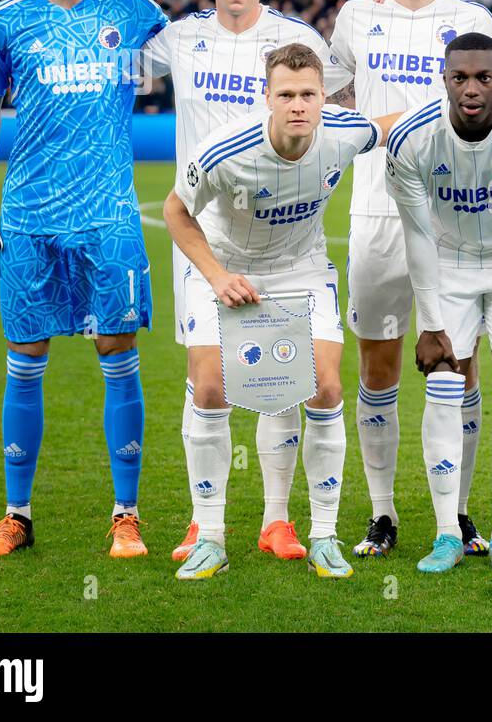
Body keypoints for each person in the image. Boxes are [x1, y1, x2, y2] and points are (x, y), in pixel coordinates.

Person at [143, 0, 353, 565]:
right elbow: (108, 63)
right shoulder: (176, 39)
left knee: (293, 381)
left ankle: (279, 520)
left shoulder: (299, 41)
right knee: (211, 387)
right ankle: (205, 525)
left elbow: (345, 102)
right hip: (208, 241)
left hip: (289, 241)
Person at [0, 0, 168, 559]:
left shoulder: (133, 9)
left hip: (109, 218)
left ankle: (126, 515)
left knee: (117, 357)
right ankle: (17, 516)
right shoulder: (6, 21)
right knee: (25, 360)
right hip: (29, 218)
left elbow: (204, 50)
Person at [164, 43, 397, 580]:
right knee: (209, 388)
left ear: (325, 98)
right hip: (226, 266)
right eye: (286, 94)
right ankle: (211, 537)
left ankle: (323, 536)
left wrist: (461, 100)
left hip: (302, 269)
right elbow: (175, 211)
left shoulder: (343, 132)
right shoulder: (226, 151)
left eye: (309, 94)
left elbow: (391, 123)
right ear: (267, 97)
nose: (298, 105)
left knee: (325, 388)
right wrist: (217, 276)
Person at [331, 0, 492, 559]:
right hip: (376, 214)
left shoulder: (469, 20)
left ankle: (457, 512)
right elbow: (322, 92)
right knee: (378, 368)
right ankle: (382, 514)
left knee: (457, 369)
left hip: (455, 218)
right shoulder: (357, 16)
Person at [385, 32, 492, 575]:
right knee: (442, 385)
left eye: (483, 77)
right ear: (443, 77)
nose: (471, 88)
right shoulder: (412, 139)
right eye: (459, 76)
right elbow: (417, 235)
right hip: (450, 266)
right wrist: (432, 324)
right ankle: (447, 534)